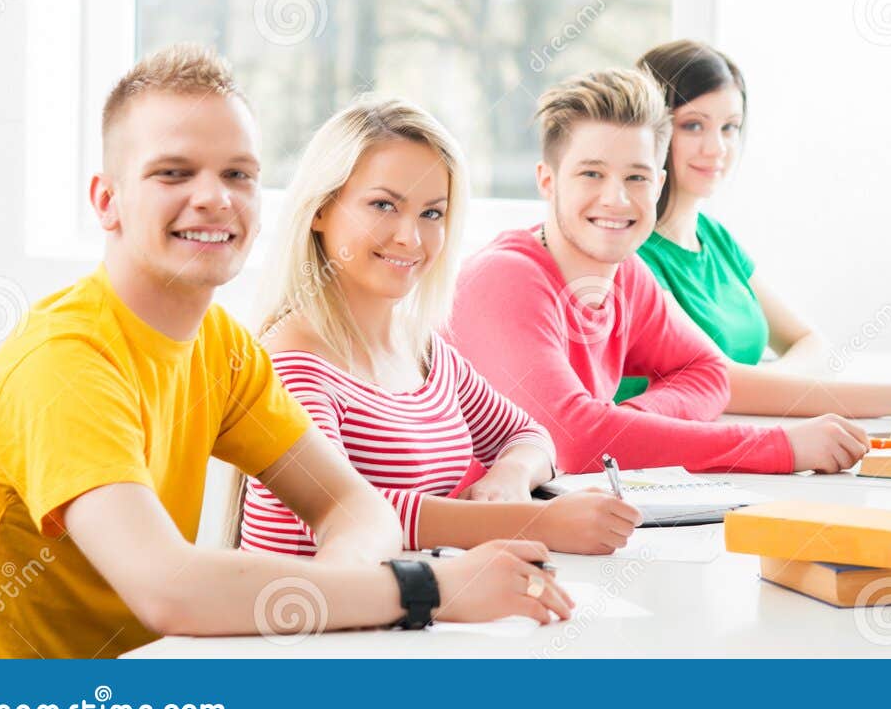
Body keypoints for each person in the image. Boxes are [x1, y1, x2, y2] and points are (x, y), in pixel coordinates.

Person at [0, 46, 569, 658]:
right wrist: (425, 590)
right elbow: (170, 590)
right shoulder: (65, 361)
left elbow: (355, 507)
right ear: (108, 202)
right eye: (174, 172)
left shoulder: (222, 346)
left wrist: (344, 593)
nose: (215, 197)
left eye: (238, 173)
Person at [237, 95, 640, 557]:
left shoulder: (423, 351)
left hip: (405, 611)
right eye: (384, 205)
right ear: (321, 210)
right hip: (318, 622)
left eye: (432, 213)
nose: (410, 237)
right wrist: (537, 522)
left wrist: (507, 477)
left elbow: (530, 438)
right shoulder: (291, 366)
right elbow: (350, 513)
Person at [449, 67, 869, 475]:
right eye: (591, 174)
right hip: (448, 534)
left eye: (636, 177)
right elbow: (572, 442)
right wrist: (780, 446)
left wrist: (624, 421)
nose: (615, 198)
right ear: (547, 180)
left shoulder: (627, 273)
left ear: (659, 183)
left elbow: (707, 374)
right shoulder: (503, 279)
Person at [631, 39, 891, 416]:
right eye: (693, 125)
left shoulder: (715, 239)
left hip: (740, 437)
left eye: (730, 127)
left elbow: (811, 342)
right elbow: (717, 382)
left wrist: (775, 383)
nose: (717, 148)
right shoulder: (631, 254)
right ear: (652, 132)